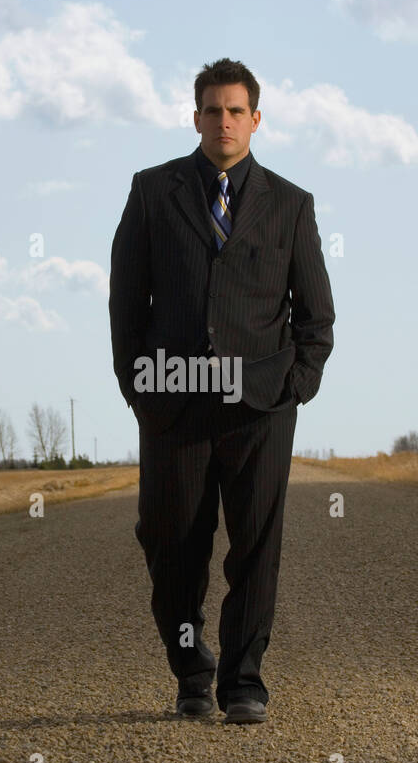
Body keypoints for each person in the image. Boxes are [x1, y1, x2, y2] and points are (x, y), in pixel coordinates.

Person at [109, 57, 335, 724]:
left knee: (255, 548)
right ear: (196, 116)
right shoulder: (154, 192)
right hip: (174, 403)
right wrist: (141, 389)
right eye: (212, 109)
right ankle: (191, 670)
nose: (224, 121)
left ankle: (242, 683)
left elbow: (314, 313)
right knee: (169, 543)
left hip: (261, 406)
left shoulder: (290, 205)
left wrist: (295, 384)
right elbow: (127, 304)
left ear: (255, 119)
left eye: (236, 110)